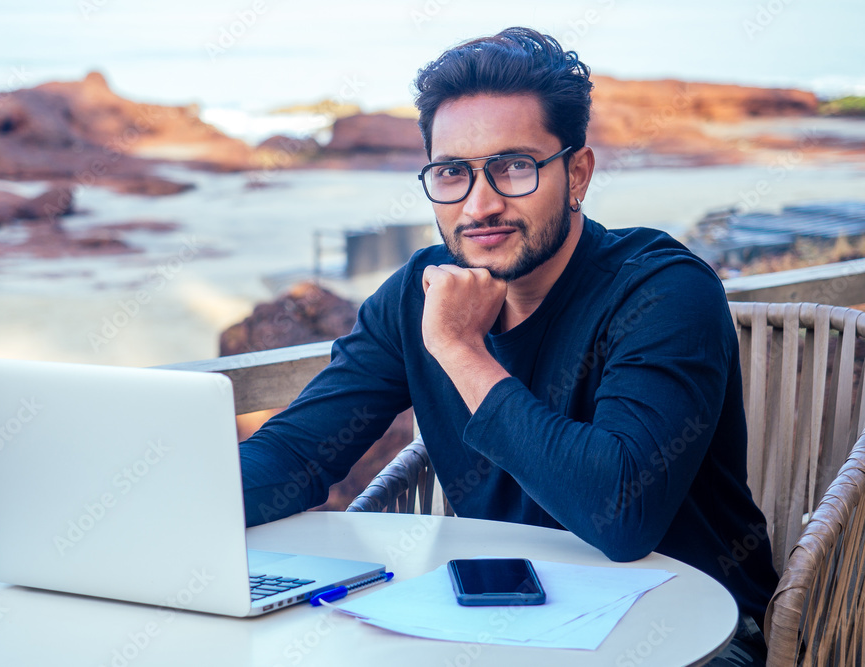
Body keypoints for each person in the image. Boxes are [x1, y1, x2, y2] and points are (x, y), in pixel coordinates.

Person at [239, 27, 778, 664]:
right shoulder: (416, 290)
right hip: (496, 625)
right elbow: (299, 454)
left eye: (514, 166)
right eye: (452, 173)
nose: (480, 203)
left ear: (577, 172)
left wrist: (459, 349)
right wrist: (166, 511)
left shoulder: (665, 290)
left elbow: (622, 514)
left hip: (691, 631)